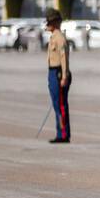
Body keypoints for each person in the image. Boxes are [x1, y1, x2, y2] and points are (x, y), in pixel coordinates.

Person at [45, 8, 71, 143]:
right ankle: (60, 132)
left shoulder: (59, 38)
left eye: (49, 22)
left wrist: (64, 76)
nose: (47, 25)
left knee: (60, 105)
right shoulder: (53, 37)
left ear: (55, 23)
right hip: (53, 72)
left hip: (59, 73)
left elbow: (64, 58)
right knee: (57, 105)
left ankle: (63, 134)